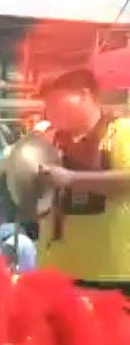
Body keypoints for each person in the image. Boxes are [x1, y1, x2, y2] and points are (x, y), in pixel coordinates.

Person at [35, 68, 130, 295]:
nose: (51, 109)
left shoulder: (121, 132)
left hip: (113, 271)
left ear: (84, 95)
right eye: (48, 103)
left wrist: (74, 179)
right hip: (57, 271)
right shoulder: (48, 139)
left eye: (57, 100)